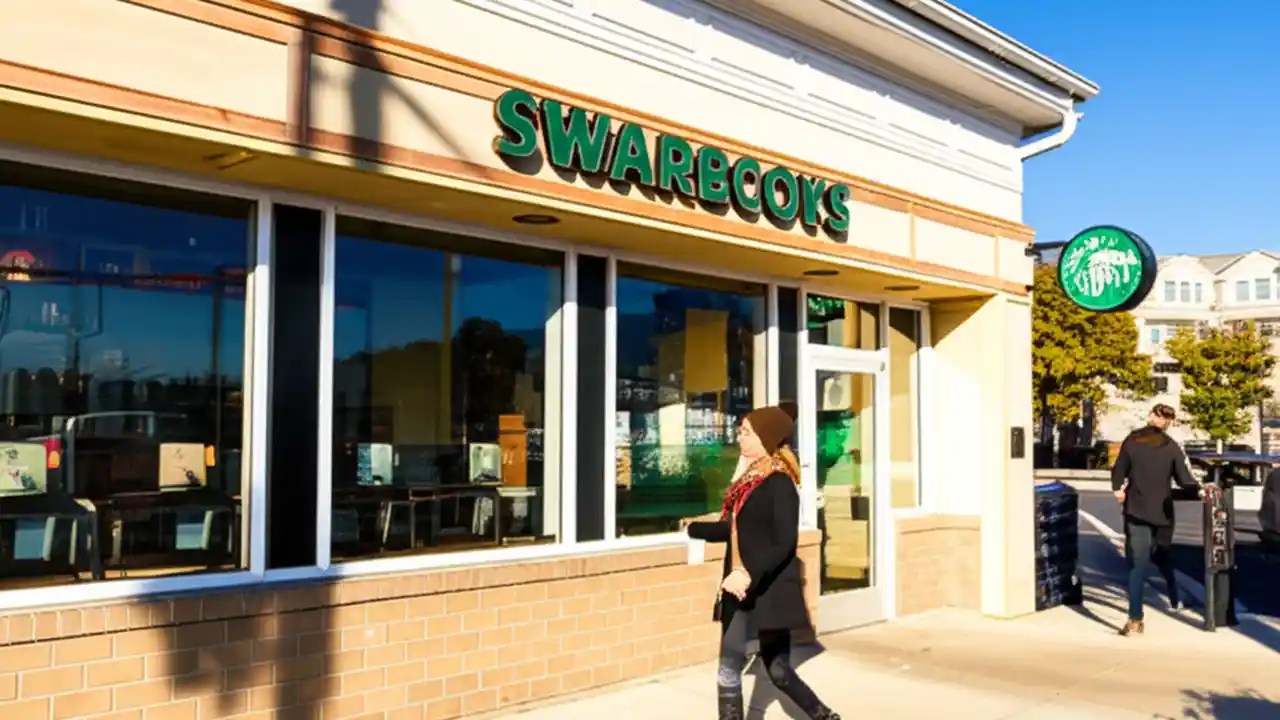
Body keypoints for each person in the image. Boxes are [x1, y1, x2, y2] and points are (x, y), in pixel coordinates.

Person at [681, 406, 839, 720]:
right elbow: (734, 528)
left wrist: (748, 575)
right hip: (740, 592)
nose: (739, 436)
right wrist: (693, 528)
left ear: (764, 438)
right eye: (740, 430)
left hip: (765, 593)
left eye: (746, 432)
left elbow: (783, 543)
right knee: (729, 665)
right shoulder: (748, 482)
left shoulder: (779, 484)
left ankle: (824, 716)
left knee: (778, 670)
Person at [1110, 403, 1202, 636]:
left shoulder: (1132, 441)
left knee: (1137, 565)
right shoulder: (1171, 447)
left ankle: (1135, 619)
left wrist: (1117, 490)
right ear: (1167, 423)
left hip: (1136, 509)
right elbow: (1184, 480)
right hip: (1162, 512)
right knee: (1161, 556)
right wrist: (1200, 490)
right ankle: (1171, 595)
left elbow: (1119, 469)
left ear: (1153, 417)